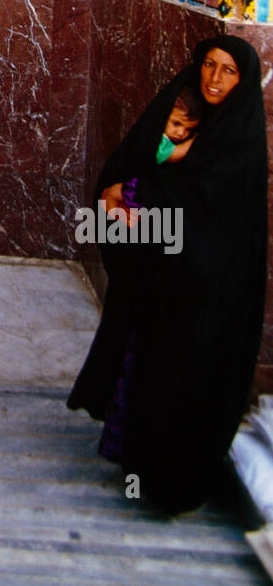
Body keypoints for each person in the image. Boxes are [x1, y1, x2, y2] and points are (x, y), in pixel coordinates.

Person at [68, 35, 268, 514]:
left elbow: (209, 210)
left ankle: (172, 486)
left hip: (209, 291)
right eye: (209, 65)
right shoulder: (183, 106)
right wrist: (118, 192)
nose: (215, 79)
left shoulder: (239, 142)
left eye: (229, 71)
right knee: (148, 373)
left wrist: (134, 193)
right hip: (163, 280)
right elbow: (132, 161)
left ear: (242, 81)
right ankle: (137, 464)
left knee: (186, 384)